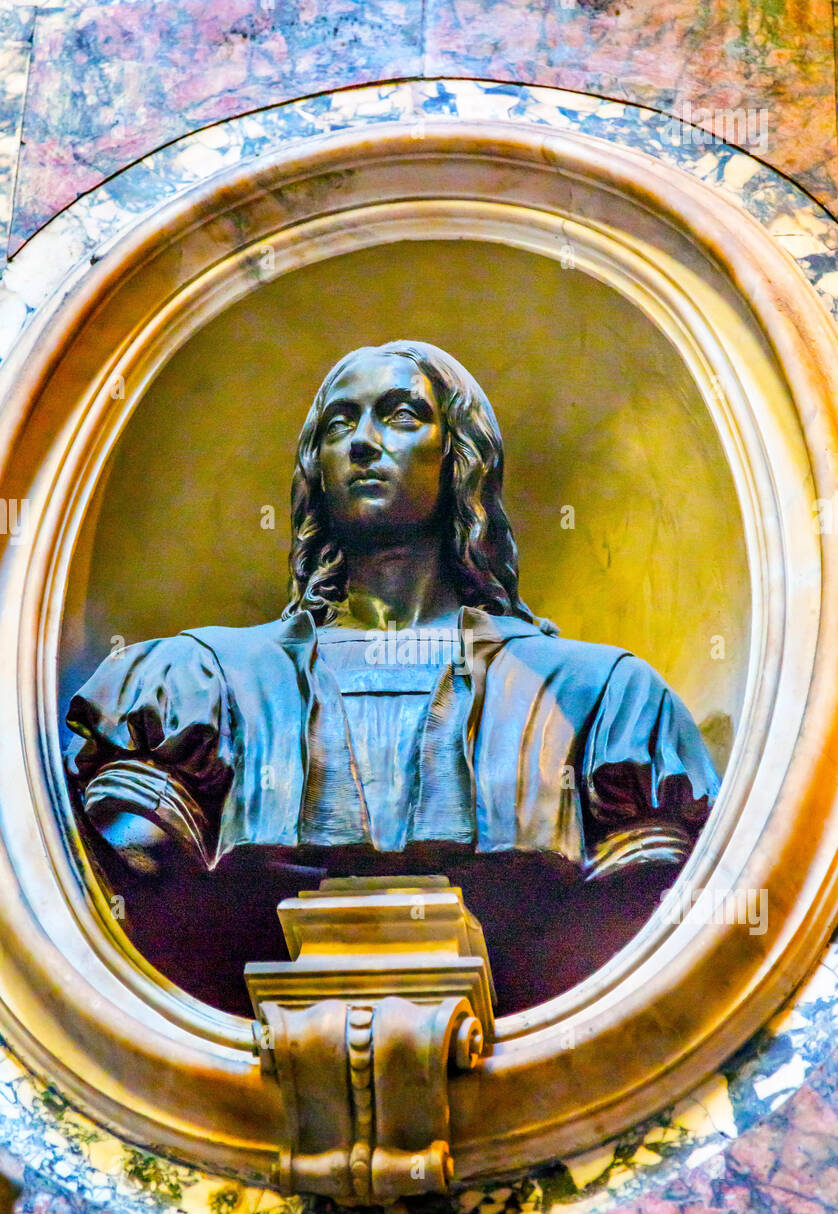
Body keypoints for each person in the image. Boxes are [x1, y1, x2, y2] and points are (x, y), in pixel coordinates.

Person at [65, 341, 720, 1013]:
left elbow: (639, 911)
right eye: (339, 424)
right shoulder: (202, 681)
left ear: (459, 457)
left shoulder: (599, 697)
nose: (364, 443)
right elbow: (137, 869)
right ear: (315, 467)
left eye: (401, 415)